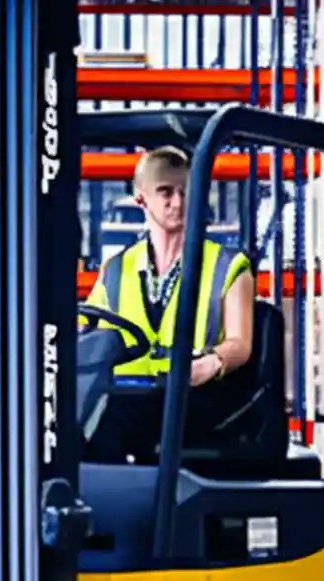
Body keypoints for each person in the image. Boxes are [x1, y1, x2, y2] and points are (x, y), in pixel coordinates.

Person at [80, 145, 255, 463]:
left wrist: (211, 363)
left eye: (185, 192)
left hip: (195, 397)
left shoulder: (228, 266)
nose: (178, 202)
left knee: (114, 418)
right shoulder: (115, 269)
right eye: (166, 192)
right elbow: (88, 331)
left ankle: (97, 490)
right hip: (129, 392)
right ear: (141, 198)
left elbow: (239, 343)